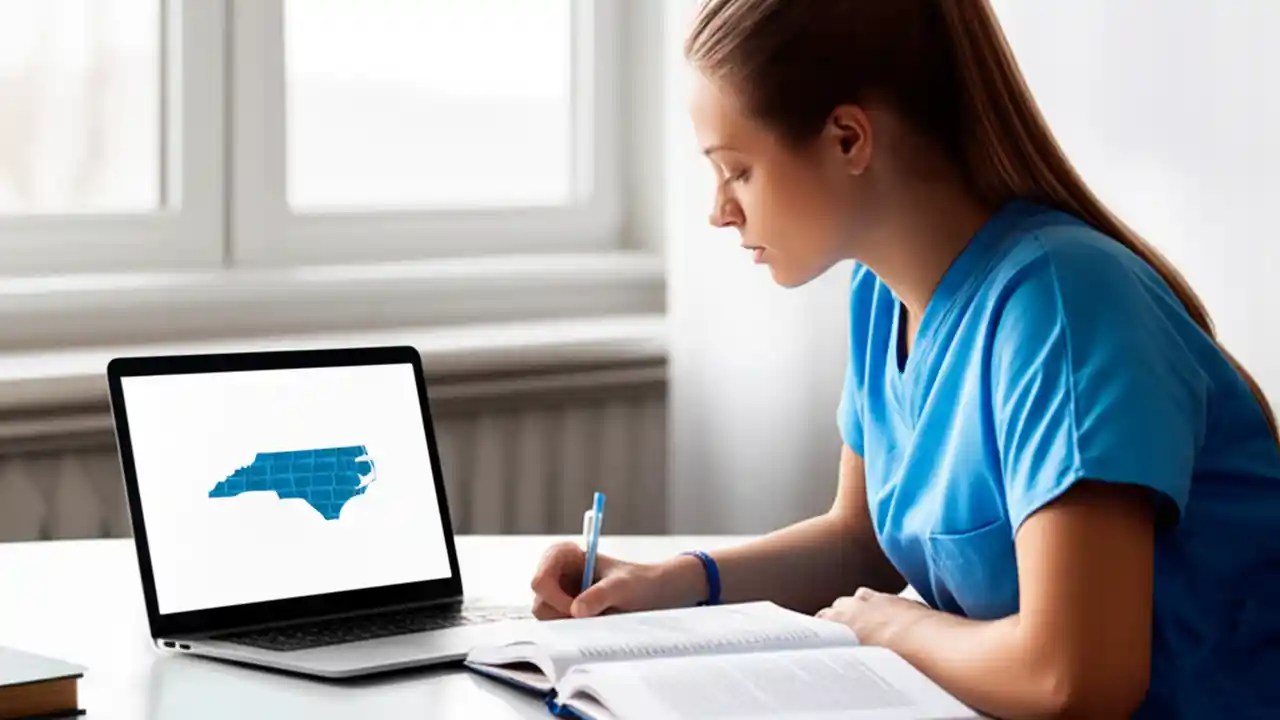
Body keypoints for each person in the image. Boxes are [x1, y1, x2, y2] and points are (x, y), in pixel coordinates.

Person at [530, 1, 1280, 717]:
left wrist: (896, 629)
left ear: (849, 138)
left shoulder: (1061, 305)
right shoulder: (880, 295)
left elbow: (1076, 677)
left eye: (737, 170)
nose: (719, 209)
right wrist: (678, 581)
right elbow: (862, 545)